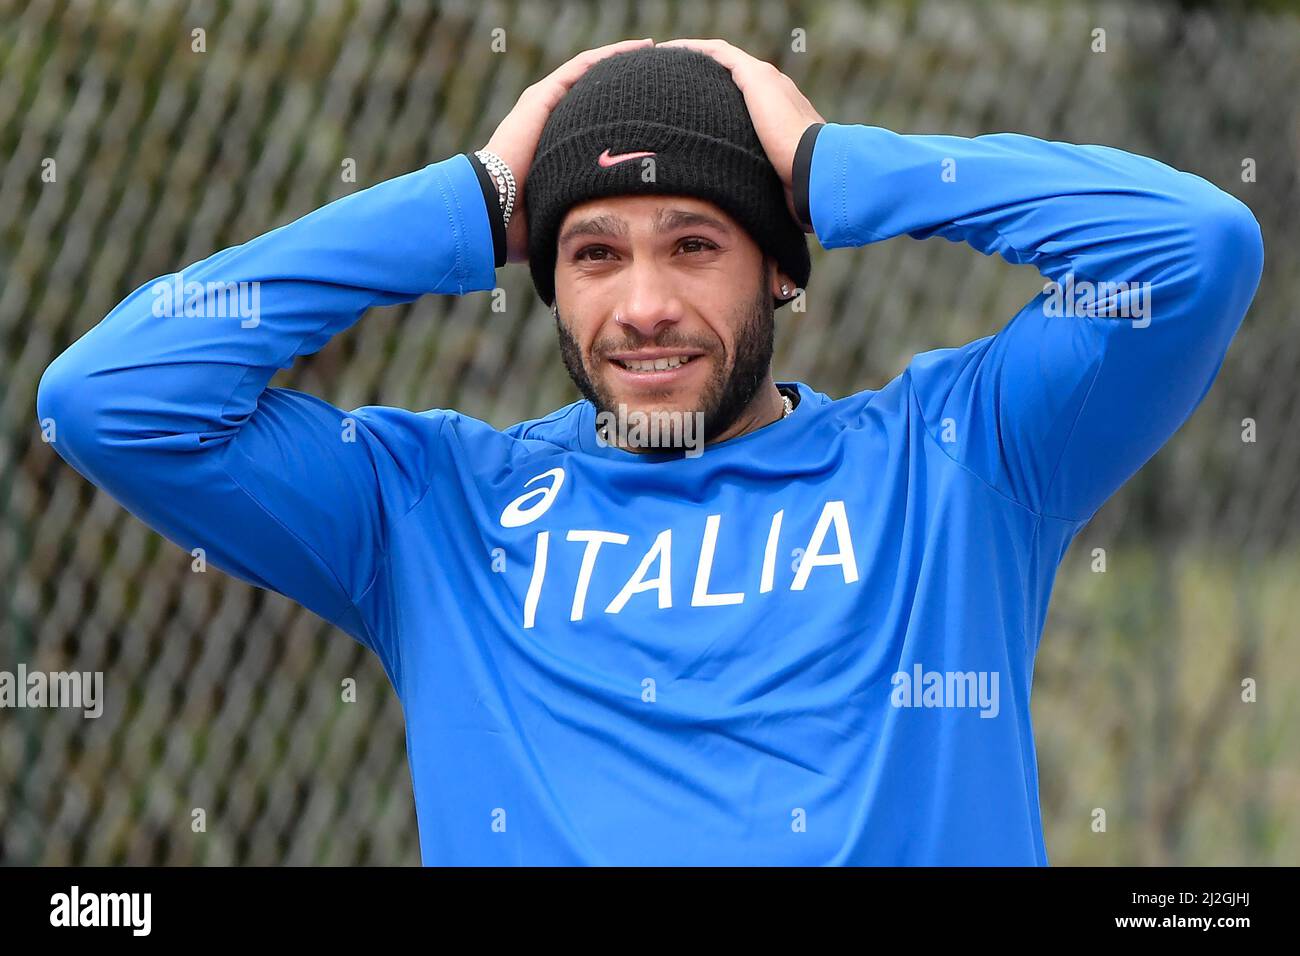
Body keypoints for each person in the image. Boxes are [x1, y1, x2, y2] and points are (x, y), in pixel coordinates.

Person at [37, 38, 1264, 865]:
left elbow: (1192, 247)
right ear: (540, 275)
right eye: (592, 253)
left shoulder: (957, 461)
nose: (642, 306)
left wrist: (836, 167)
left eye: (693, 244)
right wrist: (469, 200)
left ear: (781, 266)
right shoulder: (433, 510)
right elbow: (112, 395)